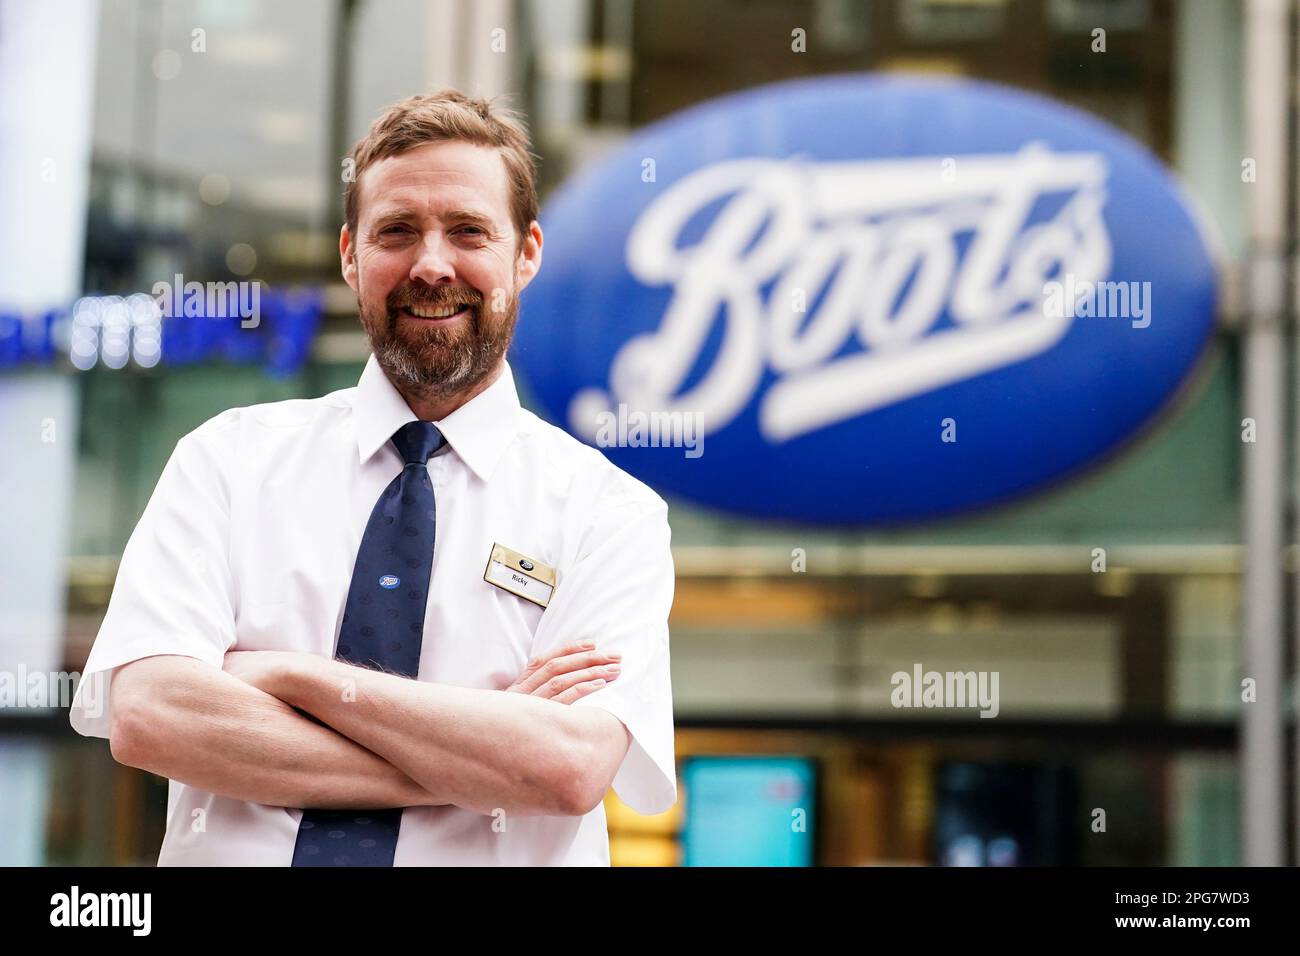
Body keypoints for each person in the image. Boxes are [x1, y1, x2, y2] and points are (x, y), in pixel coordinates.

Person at [68, 89, 677, 866]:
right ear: (351, 254)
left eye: (467, 231)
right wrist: (480, 750)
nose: (430, 264)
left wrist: (290, 677)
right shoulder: (225, 461)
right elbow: (151, 715)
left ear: (525, 254)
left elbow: (564, 768)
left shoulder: (610, 514)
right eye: (397, 231)